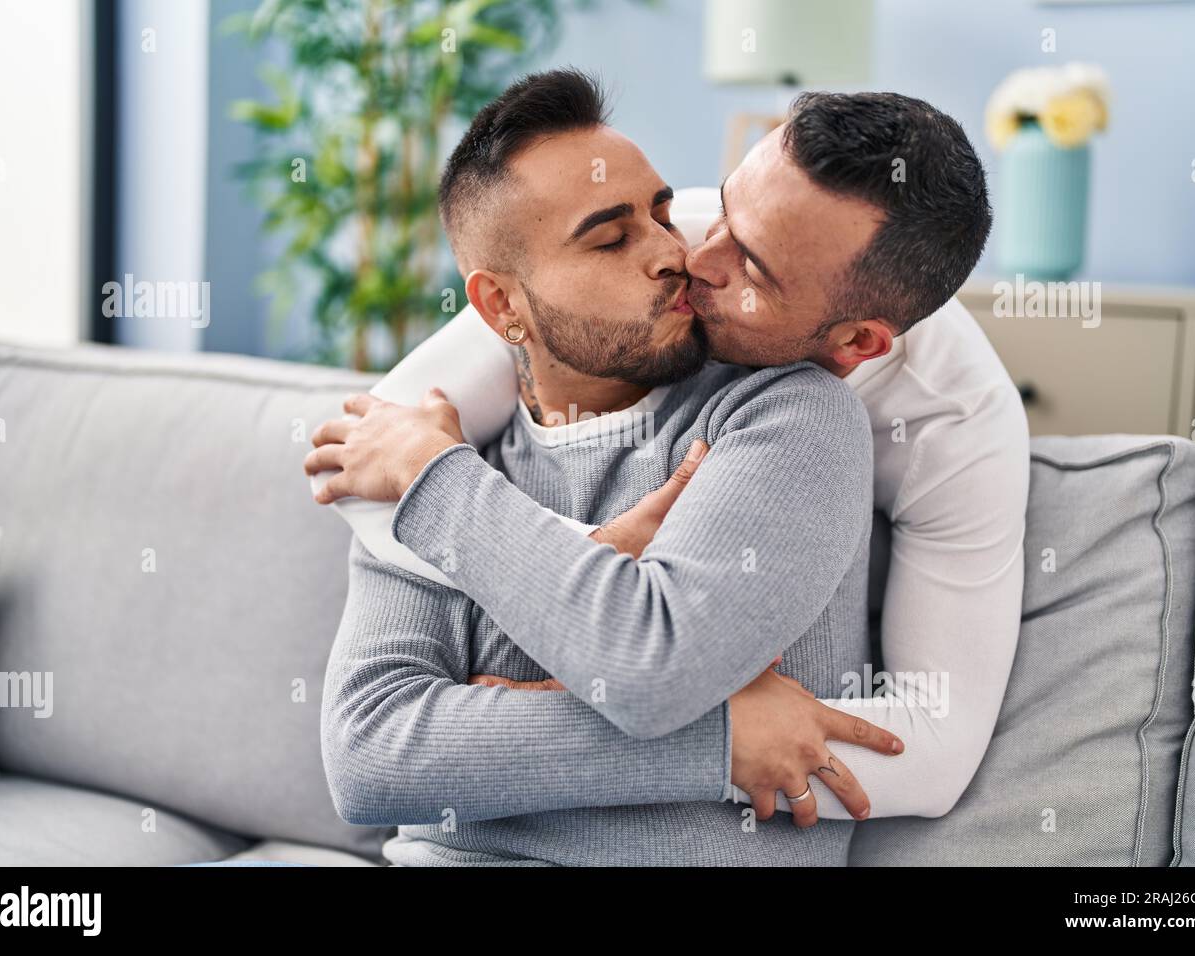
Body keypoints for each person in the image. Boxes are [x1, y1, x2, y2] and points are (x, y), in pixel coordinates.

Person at [309, 69, 1029, 829]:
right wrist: (711, 727)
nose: (688, 256)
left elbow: (652, 670)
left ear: (856, 342)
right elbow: (369, 757)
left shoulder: (836, 416)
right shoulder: (454, 430)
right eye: (708, 212)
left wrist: (677, 723)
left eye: (750, 267)